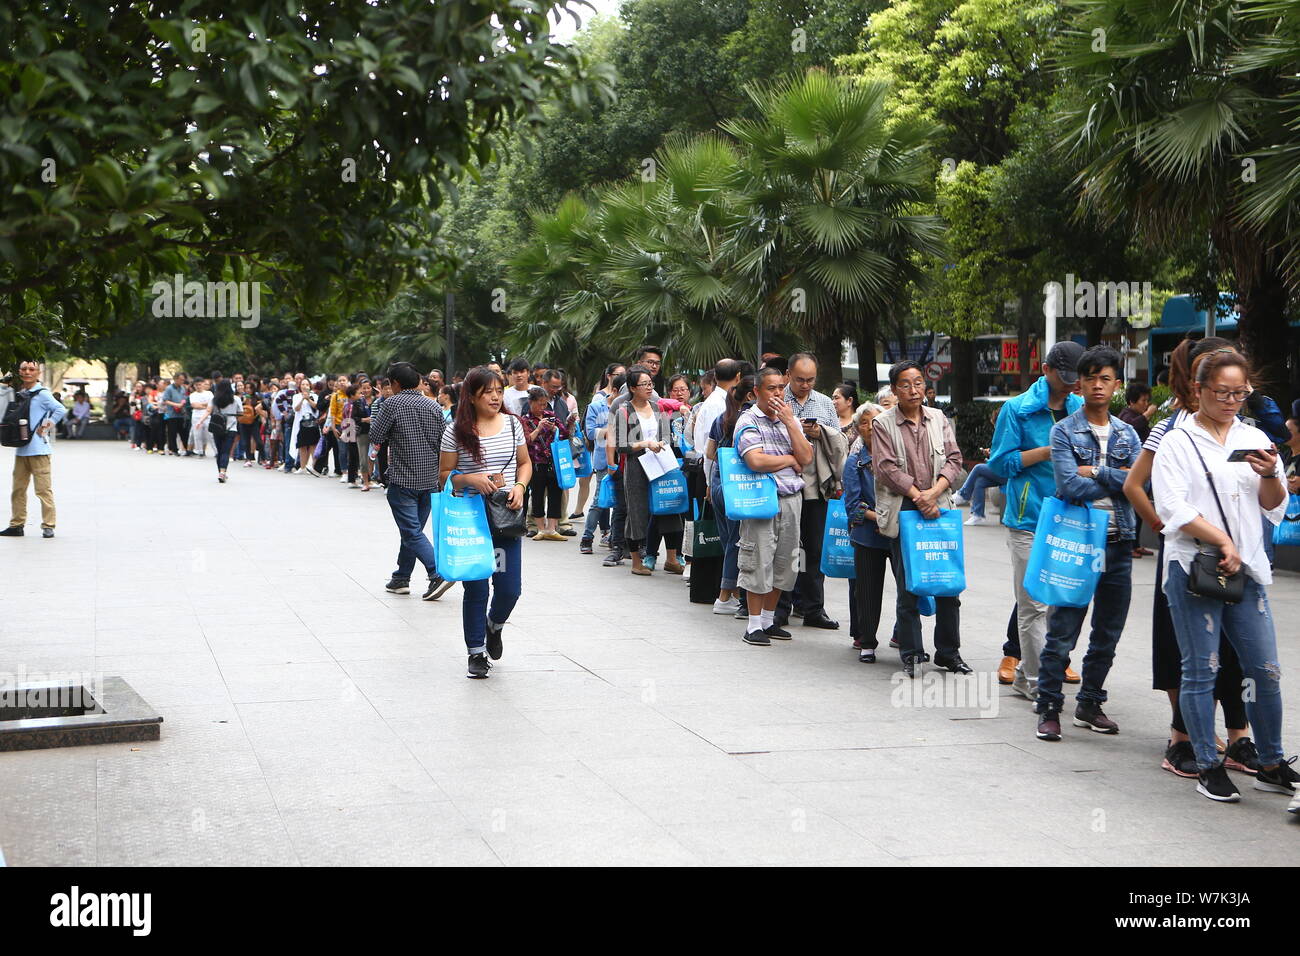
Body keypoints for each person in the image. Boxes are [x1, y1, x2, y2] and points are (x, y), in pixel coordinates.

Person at [1152, 348, 1298, 804]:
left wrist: (1272, 473)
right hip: (1193, 568)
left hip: (1247, 569)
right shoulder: (1177, 441)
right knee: (1202, 669)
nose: (1233, 400)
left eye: (1241, 392)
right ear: (1198, 390)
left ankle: (1270, 761)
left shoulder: (1252, 436)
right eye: (1223, 392)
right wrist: (1222, 540)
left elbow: (1273, 507)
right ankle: (1208, 765)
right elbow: (1172, 508)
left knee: (1265, 669)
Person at [1124, 337, 1259, 778]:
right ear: (1194, 377)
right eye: (1211, 371)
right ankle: (1181, 738)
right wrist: (1164, 526)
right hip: (1188, 554)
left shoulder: (1242, 425)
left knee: (1236, 647)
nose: (1224, 384)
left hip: (1237, 554)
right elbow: (1134, 485)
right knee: (1186, 649)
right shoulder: (1172, 427)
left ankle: (1240, 737)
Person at [1034, 346, 1140, 742]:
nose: (1098, 385)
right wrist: (1118, 476)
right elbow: (1068, 485)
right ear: (1080, 383)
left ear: (1116, 384)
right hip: (1077, 543)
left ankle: (1091, 702)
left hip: (1119, 542)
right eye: (1091, 377)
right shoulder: (1063, 430)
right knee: (1063, 628)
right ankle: (1048, 706)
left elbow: (1137, 484)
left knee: (1108, 632)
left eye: (1106, 378)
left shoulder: (1129, 433)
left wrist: (1096, 469)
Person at [987, 341, 1084, 698]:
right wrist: (1046, 452)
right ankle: (1034, 682)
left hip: (1070, 516)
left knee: (1064, 600)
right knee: (1033, 603)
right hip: (1028, 517)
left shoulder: (1080, 407)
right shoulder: (1017, 409)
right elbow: (999, 464)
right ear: (1046, 370)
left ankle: (1048, 666)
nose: (1072, 384)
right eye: (1066, 376)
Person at [871, 361, 967, 677]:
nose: (913, 390)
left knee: (947, 586)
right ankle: (912, 653)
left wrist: (933, 493)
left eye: (918, 383)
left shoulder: (939, 419)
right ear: (894, 390)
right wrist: (918, 496)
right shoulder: (882, 423)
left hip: (939, 509)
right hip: (906, 512)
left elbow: (954, 460)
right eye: (905, 384)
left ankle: (949, 653)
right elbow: (886, 468)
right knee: (909, 587)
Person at [439, 366, 531, 679]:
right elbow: (444, 477)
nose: (495, 397)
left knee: (509, 589)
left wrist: (519, 486)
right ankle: (475, 653)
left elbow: (525, 463)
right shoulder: (456, 430)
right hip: (472, 522)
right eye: (487, 391)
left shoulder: (513, 424)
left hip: (505, 520)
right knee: (476, 588)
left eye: (499, 390)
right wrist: (470, 479)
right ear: (472, 395)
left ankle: (495, 625)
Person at [733, 366, 814, 645]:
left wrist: (792, 423)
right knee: (758, 560)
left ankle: (769, 620)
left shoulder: (787, 420)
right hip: (761, 500)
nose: (778, 394)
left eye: (781, 388)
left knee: (785, 563)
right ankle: (753, 625)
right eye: (771, 388)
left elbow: (807, 456)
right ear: (756, 392)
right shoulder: (748, 420)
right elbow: (755, 460)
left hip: (792, 499)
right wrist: (790, 460)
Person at [368, 362, 452, 601]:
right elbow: (442, 441)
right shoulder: (433, 405)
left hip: (403, 478)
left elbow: (375, 435)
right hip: (429, 479)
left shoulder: (391, 403)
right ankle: (401, 578)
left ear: (395, 383)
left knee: (411, 532)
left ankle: (437, 571)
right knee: (412, 531)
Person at [775, 353, 847, 631]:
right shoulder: (779, 400)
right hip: (786, 484)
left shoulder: (825, 402)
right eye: (800, 380)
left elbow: (839, 439)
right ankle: (781, 607)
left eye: (811, 380)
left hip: (817, 486)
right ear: (788, 376)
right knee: (788, 547)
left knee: (814, 549)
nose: (805, 385)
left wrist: (821, 433)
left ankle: (813, 608)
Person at [614, 367, 685, 575]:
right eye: (644, 384)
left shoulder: (658, 409)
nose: (649, 388)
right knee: (636, 512)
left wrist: (661, 444)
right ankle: (637, 561)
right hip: (637, 467)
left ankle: (672, 558)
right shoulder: (623, 411)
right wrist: (644, 443)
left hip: (661, 464)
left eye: (650, 384)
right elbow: (621, 445)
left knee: (669, 509)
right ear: (633, 388)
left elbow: (667, 438)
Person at [842, 402, 892, 662]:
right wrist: (881, 518)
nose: (871, 427)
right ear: (858, 428)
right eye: (864, 422)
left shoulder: (895, 457)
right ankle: (867, 642)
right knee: (867, 591)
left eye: (876, 421)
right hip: (867, 536)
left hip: (896, 533)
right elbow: (853, 508)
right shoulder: (855, 462)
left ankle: (907, 640)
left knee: (908, 591)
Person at [704, 373, 757, 616]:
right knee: (737, 541)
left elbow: (709, 453)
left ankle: (733, 593)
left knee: (728, 541)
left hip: (718, 482)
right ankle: (724, 596)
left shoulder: (721, 419)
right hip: (738, 486)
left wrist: (709, 484)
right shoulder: (748, 420)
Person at [2, 360, 66, 538]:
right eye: (24, 369)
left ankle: (48, 525)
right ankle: (16, 525)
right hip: (21, 449)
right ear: (19, 372)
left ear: (38, 373)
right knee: (18, 490)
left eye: (32, 369)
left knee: (43, 490)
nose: (27, 372)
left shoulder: (43, 394)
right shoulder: (19, 393)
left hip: (39, 450)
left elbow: (60, 409)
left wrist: (47, 425)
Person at [520, 385, 572, 541]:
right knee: (537, 494)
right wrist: (539, 428)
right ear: (531, 403)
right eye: (540, 404)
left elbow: (564, 435)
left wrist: (556, 428)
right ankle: (540, 528)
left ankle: (552, 528)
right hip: (535, 463)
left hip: (553, 461)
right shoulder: (525, 420)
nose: (542, 407)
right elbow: (526, 441)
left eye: (545, 404)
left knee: (555, 493)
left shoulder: (551, 415)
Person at [579, 367, 621, 553]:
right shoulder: (596, 406)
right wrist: (609, 431)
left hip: (624, 460)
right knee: (598, 500)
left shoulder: (628, 408)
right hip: (604, 460)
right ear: (614, 390)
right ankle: (587, 538)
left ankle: (614, 538)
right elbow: (589, 432)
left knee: (620, 503)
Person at [204, 380, 243, 484]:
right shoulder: (236, 399)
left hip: (217, 427)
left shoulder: (214, 399)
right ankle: (222, 472)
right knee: (226, 451)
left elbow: (209, 410)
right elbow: (240, 412)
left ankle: (221, 472)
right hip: (231, 428)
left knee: (220, 451)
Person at [354, 379, 375, 491]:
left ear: (372, 388)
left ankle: (374, 479)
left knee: (375, 458)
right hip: (362, 433)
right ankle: (365, 482)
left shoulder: (377, 401)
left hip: (377, 432)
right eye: (364, 388)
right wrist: (364, 420)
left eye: (368, 387)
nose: (366, 390)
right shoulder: (358, 402)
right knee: (363, 458)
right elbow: (353, 418)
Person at [161, 373, 189, 455]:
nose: (182, 381)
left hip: (181, 413)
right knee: (172, 433)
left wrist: (183, 403)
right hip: (172, 414)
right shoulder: (169, 388)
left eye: (183, 380)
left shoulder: (183, 388)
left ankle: (186, 448)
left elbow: (184, 398)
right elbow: (165, 400)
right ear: (176, 379)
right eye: (181, 379)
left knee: (183, 432)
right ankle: (173, 449)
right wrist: (176, 405)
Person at [189, 378, 214, 457]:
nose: (198, 386)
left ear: (203, 384)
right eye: (196, 385)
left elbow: (212, 404)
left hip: (207, 416)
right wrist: (205, 405)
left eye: (200, 384)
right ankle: (199, 451)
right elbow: (194, 405)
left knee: (210, 434)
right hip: (196, 416)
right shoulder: (192, 395)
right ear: (194, 386)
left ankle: (216, 451)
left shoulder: (209, 393)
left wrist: (201, 405)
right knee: (197, 435)